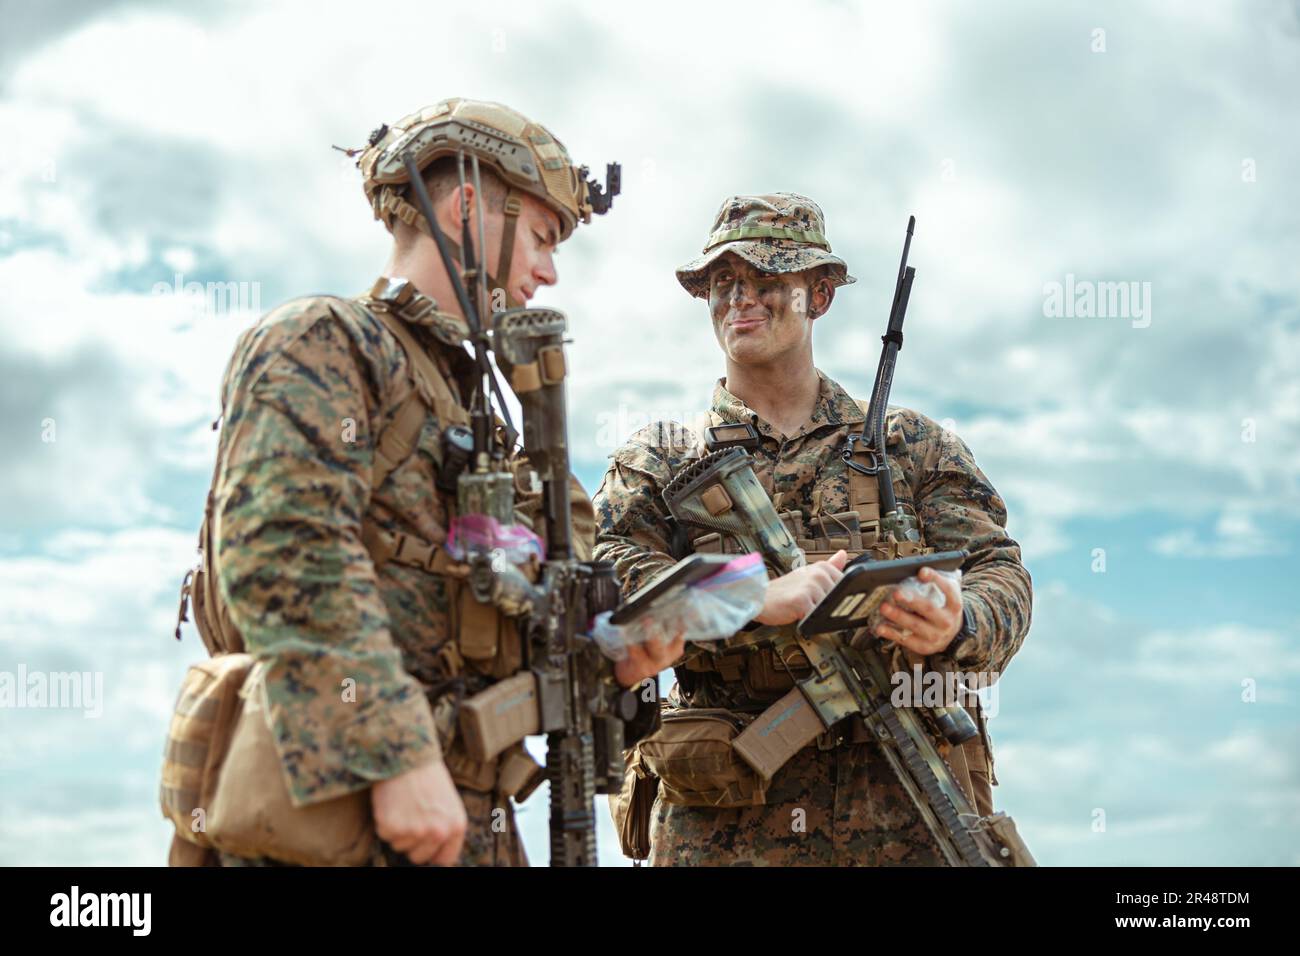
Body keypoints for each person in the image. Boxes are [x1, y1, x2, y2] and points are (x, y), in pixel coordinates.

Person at [209, 98, 678, 867]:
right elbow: (283, 548)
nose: (549, 271)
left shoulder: (477, 404)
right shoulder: (326, 339)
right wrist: (393, 755)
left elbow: (494, 607)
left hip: (470, 815)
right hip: (353, 810)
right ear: (466, 206)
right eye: (540, 236)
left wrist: (615, 650)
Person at [593, 193, 1032, 865]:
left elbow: (999, 569)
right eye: (723, 283)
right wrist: (744, 594)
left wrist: (960, 620)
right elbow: (605, 587)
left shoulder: (909, 445)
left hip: (909, 810)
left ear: (818, 294)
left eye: (767, 280)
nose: (741, 299)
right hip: (728, 828)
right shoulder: (662, 460)